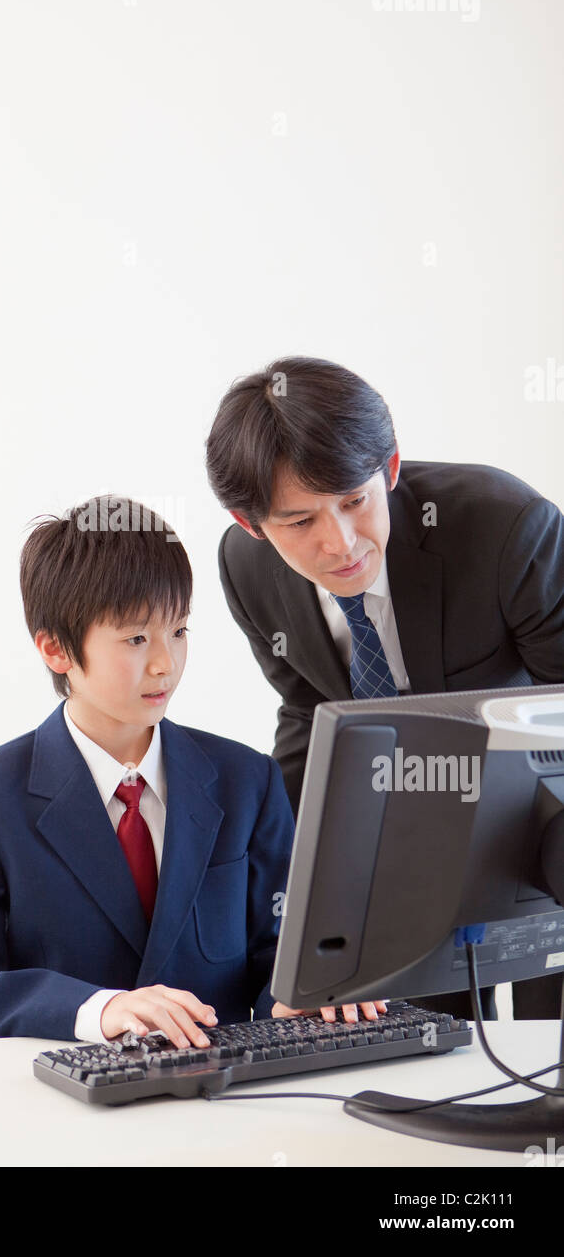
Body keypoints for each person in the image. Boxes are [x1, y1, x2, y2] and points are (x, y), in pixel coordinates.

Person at [0, 496, 378, 1047]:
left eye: (179, 631)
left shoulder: (247, 782)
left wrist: (300, 994)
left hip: (224, 1090)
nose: (165, 663)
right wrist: (97, 1009)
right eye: (136, 639)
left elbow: (276, 954)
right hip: (55, 1094)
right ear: (55, 649)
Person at [205, 355, 564, 1021]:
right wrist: (296, 896)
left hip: (537, 813)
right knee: (423, 1036)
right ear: (250, 523)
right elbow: (309, 710)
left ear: (390, 468)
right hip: (403, 836)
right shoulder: (245, 568)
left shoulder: (506, 528)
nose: (341, 544)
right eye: (300, 522)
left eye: (354, 501)